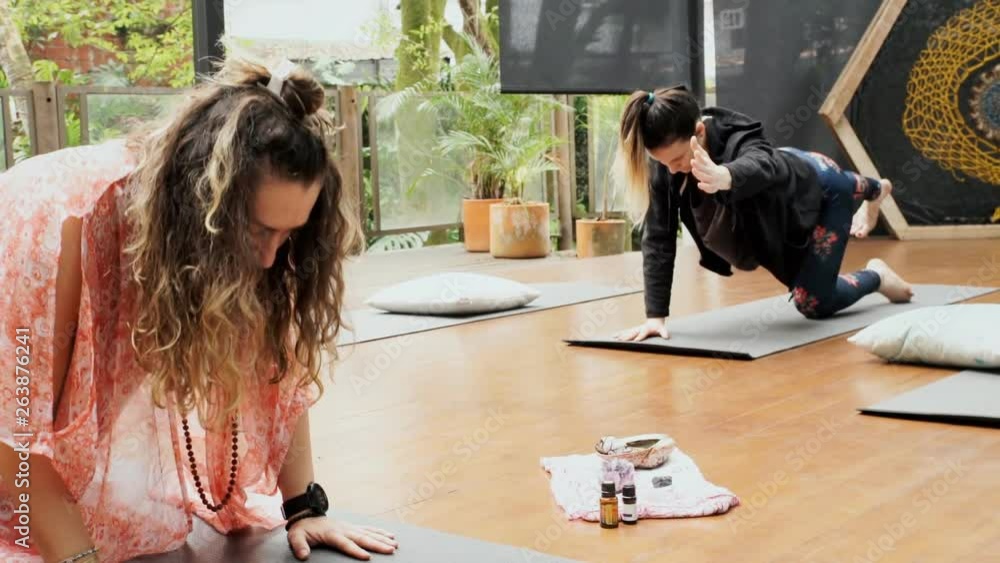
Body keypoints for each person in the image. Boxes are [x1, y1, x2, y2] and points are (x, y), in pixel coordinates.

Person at [0, 58, 398, 562]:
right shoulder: (63, 222)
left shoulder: (248, 247)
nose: (269, 257)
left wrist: (304, 507)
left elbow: (275, 358)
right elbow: (15, 426)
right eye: (258, 231)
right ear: (200, 205)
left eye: (288, 234)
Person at [613, 87, 914, 342]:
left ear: (700, 132)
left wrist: (725, 176)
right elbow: (659, 239)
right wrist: (655, 315)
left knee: (813, 302)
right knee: (830, 180)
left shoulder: (736, 135)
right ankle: (876, 189)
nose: (672, 169)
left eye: (678, 159)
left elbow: (764, 164)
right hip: (793, 179)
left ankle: (877, 274)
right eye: (662, 162)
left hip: (817, 190)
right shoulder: (668, 168)